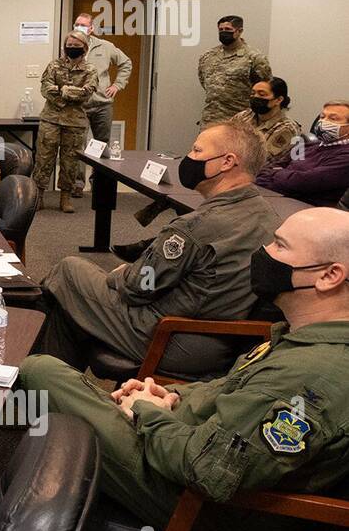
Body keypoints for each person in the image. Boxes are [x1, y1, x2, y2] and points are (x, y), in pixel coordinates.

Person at [19, 207, 349, 531]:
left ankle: (10, 520)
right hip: (194, 450)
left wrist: (148, 411)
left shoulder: (311, 377)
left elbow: (208, 469)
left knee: (39, 371)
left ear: (329, 275)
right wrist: (171, 395)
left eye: (279, 246)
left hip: (211, 507)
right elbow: (229, 391)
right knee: (60, 386)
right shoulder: (303, 338)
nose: (263, 253)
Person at [35, 122, 278, 370]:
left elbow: (137, 287)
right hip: (226, 341)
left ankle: (29, 378)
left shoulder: (194, 227)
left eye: (196, 151)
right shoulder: (269, 216)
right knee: (71, 309)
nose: (189, 158)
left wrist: (121, 274)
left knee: (68, 272)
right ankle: (49, 387)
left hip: (171, 336)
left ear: (227, 162)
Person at [33, 28, 97, 213]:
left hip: (75, 122)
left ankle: (65, 198)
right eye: (69, 45)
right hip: (51, 120)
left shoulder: (90, 69)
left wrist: (63, 89)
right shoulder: (54, 66)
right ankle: (39, 196)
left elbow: (87, 93)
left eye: (76, 46)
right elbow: (46, 89)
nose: (72, 48)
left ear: (84, 47)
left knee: (70, 162)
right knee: (44, 158)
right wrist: (68, 94)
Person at [71, 12, 132, 198]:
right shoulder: (71, 46)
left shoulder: (105, 47)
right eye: (76, 24)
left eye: (83, 25)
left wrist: (117, 85)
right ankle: (77, 185)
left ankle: (97, 183)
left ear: (91, 28)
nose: (79, 27)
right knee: (78, 145)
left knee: (101, 144)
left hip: (102, 104)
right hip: (79, 105)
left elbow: (126, 63)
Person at [257, 100, 349, 206]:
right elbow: (270, 166)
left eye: (333, 118)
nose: (323, 122)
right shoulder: (308, 145)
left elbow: (304, 182)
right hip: (274, 195)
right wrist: (280, 175)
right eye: (322, 117)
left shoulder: (345, 156)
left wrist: (275, 174)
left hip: (304, 209)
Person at [198, 14, 271, 126]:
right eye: (221, 29)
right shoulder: (208, 56)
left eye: (228, 29)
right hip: (210, 120)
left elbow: (265, 89)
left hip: (240, 122)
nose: (223, 32)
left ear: (239, 31)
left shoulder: (254, 58)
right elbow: (205, 83)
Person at [230, 77, 301, 162]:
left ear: (278, 100)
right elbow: (223, 137)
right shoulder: (244, 116)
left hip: (266, 172)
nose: (255, 97)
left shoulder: (287, 128)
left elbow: (261, 160)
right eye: (253, 93)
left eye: (262, 94)